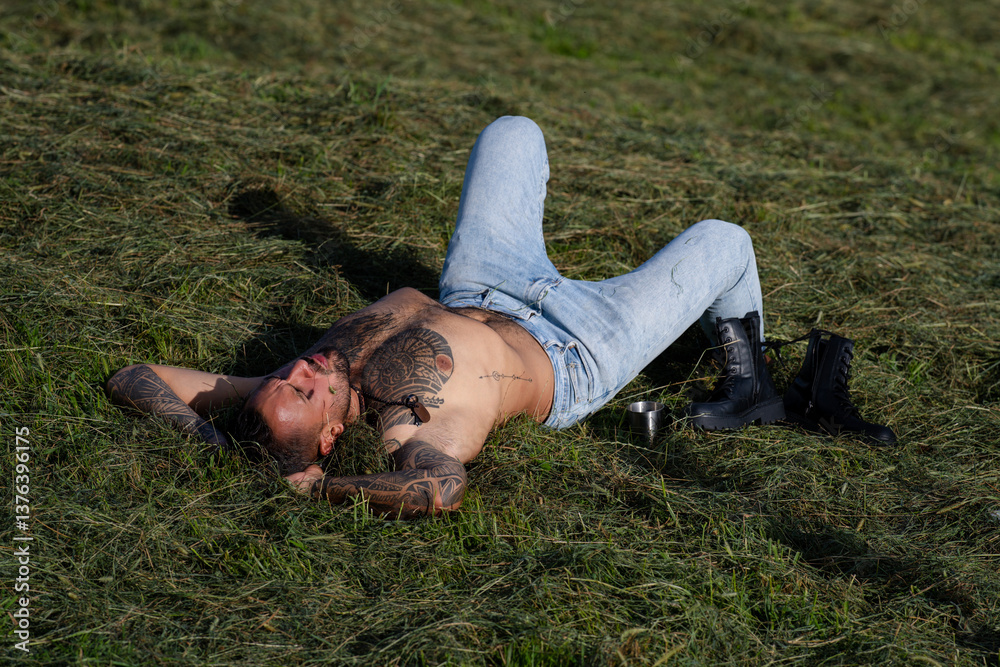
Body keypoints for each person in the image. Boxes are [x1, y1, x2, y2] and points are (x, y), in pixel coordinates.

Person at [106, 116, 891, 520]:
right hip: (578, 343)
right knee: (724, 243)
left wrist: (209, 432)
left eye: (287, 373)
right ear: (333, 437)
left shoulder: (280, 394)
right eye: (303, 390)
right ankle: (750, 385)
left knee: (512, 132)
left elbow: (133, 375)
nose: (299, 368)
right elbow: (440, 492)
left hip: (485, 280)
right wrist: (316, 490)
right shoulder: (405, 432)